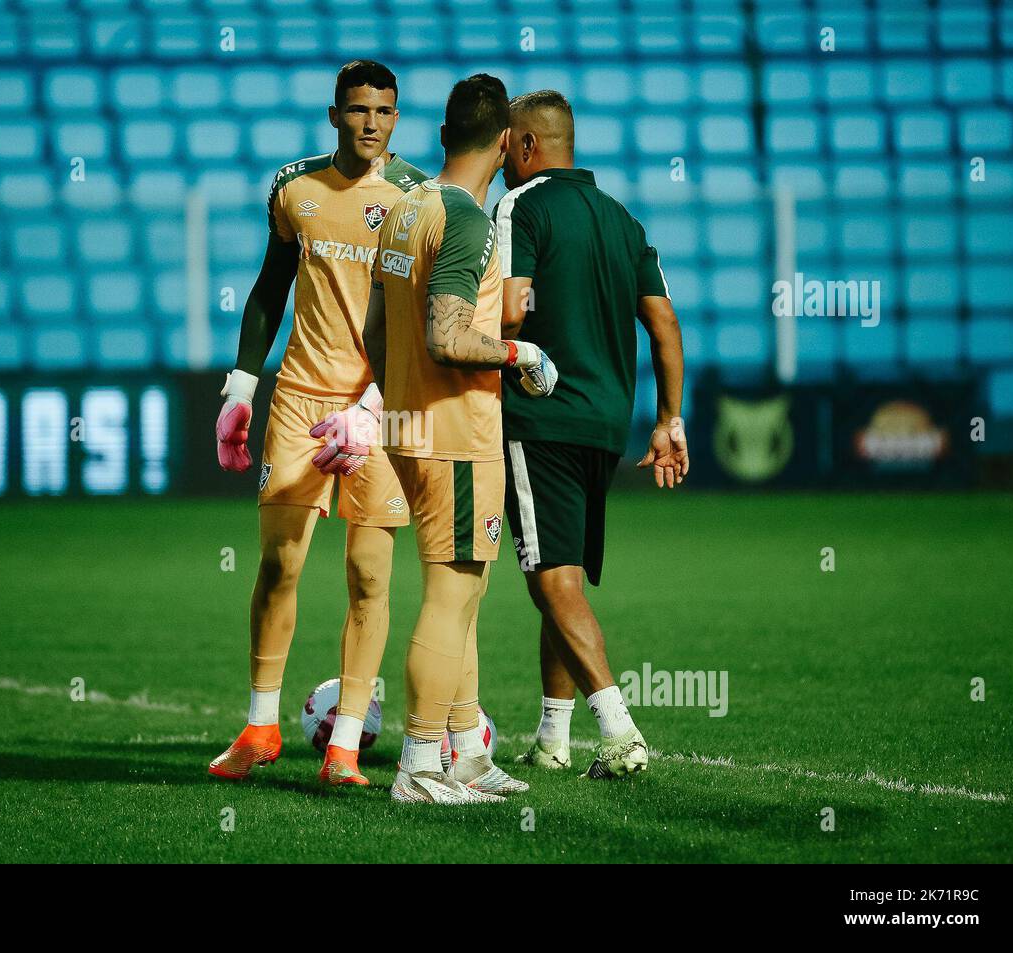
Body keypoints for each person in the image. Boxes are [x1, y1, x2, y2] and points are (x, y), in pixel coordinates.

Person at [208, 61, 429, 787]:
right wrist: (240, 387)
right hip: (301, 398)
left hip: (381, 403)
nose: (373, 124)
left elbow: (424, 319)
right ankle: (260, 725)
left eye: (386, 112)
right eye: (360, 110)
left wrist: (374, 407)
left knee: (369, 573)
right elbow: (270, 288)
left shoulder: (417, 197)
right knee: (279, 564)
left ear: (397, 119)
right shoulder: (292, 188)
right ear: (335, 115)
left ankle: (343, 748)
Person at [364, 74, 557, 804]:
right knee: (452, 593)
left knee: (465, 588)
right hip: (458, 430)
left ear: (444, 133)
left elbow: (378, 331)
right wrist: (521, 355)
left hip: (409, 424)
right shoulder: (469, 219)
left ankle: (467, 753)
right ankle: (418, 765)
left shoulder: (403, 208)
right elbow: (448, 334)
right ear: (505, 144)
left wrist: (398, 401)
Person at [493, 90, 689, 779]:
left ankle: (620, 729)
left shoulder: (521, 206)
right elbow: (664, 325)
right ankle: (552, 735)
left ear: (523, 145)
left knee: (551, 577)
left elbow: (512, 311)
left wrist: (465, 347)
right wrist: (670, 419)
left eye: (502, 144)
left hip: (540, 416)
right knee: (562, 572)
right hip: (607, 422)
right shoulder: (621, 219)